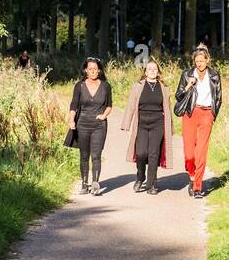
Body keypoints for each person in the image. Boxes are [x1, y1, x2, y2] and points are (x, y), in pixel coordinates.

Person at [174, 44, 222, 198]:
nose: (199, 64)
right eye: (197, 61)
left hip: (207, 114)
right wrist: (188, 85)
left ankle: (197, 187)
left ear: (207, 60)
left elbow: (219, 98)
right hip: (190, 113)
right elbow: (178, 95)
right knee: (189, 153)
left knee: (201, 151)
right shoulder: (187, 74)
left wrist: (212, 115)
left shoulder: (214, 75)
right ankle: (192, 176)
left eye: (202, 61)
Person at [121, 58, 174, 194]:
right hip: (142, 122)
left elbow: (167, 109)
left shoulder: (164, 88)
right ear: (145, 71)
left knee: (153, 153)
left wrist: (170, 128)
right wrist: (126, 124)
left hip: (158, 122)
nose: (152, 71)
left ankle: (151, 185)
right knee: (141, 152)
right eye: (149, 68)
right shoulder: (138, 85)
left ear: (158, 72)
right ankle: (140, 177)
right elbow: (131, 105)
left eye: (155, 69)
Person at [66, 57, 113, 195]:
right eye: (90, 69)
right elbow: (74, 104)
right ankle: (84, 183)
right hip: (82, 124)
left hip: (99, 125)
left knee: (96, 155)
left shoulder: (106, 86)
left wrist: (104, 116)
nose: (93, 71)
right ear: (85, 70)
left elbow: (109, 105)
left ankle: (95, 183)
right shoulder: (79, 86)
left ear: (99, 70)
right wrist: (71, 119)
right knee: (84, 155)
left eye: (95, 69)